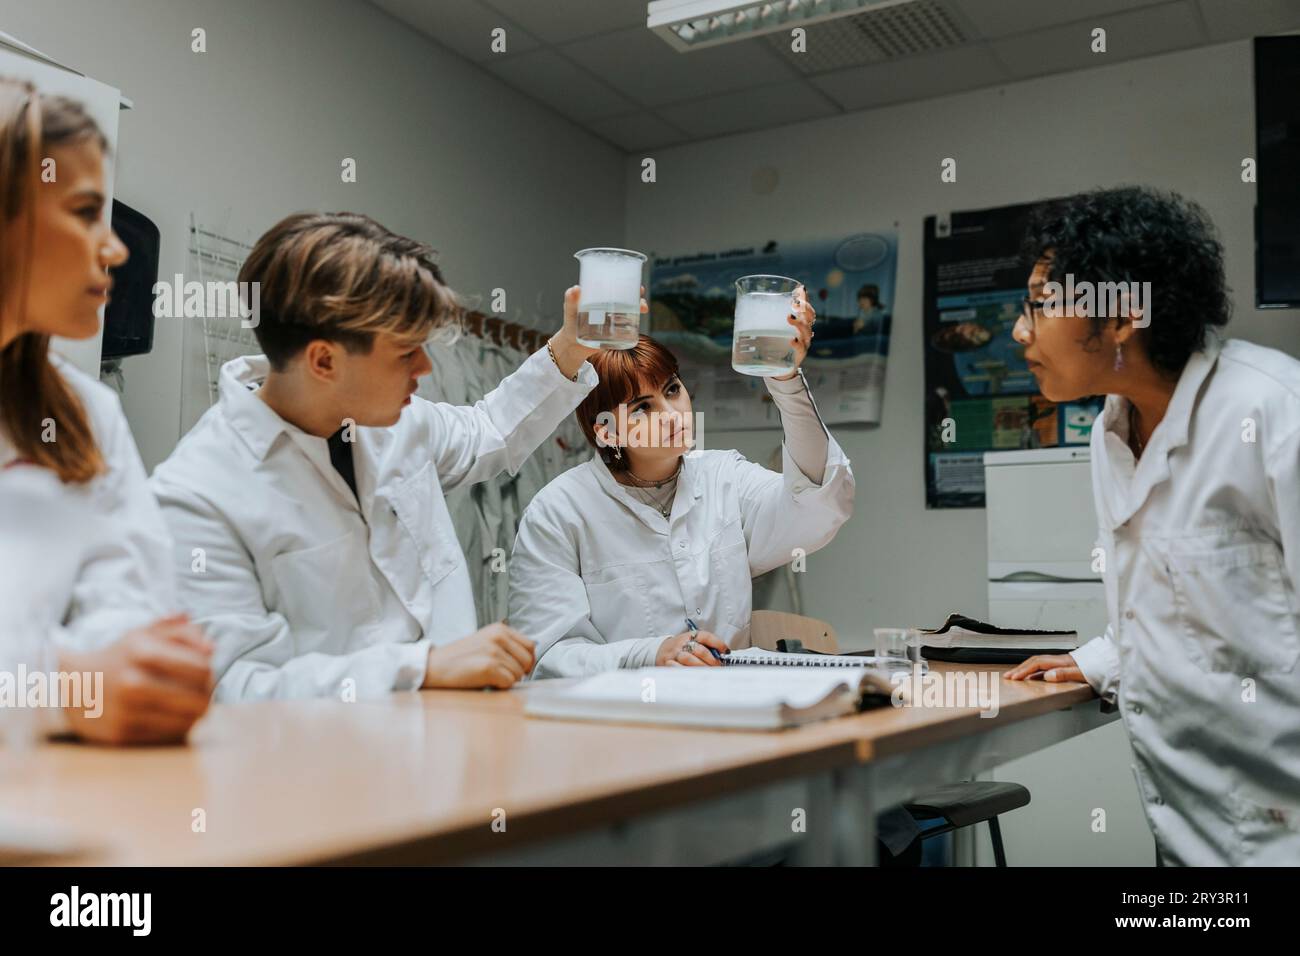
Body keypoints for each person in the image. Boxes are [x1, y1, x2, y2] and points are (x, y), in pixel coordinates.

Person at [150, 211, 628, 701]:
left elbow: (490, 429)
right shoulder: (198, 493)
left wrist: (572, 347)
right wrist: (418, 667)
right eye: (405, 352)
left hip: (444, 743)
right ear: (324, 361)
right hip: (313, 768)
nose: (424, 368)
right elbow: (231, 686)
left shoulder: (397, 423)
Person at [1005, 186, 1300, 865]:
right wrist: (1099, 658)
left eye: (1041, 306)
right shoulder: (1109, 433)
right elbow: (1182, 597)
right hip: (1185, 841)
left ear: (1121, 316)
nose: (1020, 331)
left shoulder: (1272, 413)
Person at [0, 78, 212, 744]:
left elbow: (132, 606)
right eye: (86, 211)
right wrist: (67, 686)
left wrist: (129, 670)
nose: (115, 247)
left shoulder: (84, 413)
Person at [507, 286, 855, 678]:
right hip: (617, 725)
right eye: (643, 408)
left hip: (728, 716)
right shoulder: (558, 512)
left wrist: (787, 381)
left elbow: (817, 504)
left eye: (672, 389)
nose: (673, 414)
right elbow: (546, 656)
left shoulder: (725, 477)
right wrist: (650, 654)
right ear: (604, 431)